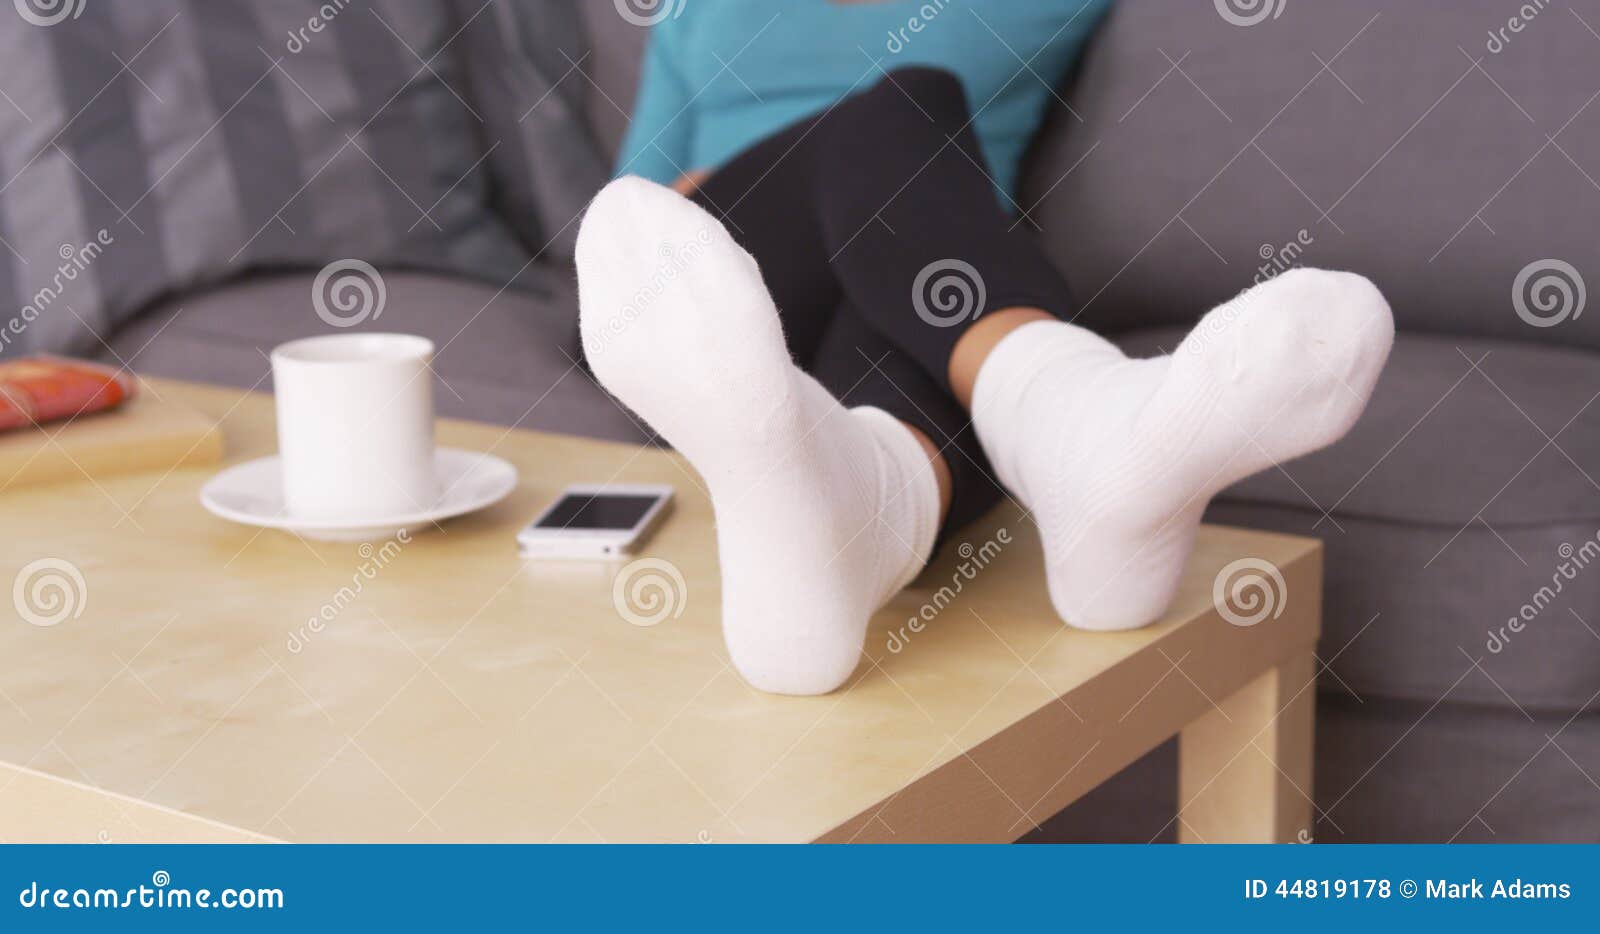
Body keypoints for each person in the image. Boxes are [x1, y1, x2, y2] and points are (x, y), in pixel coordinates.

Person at [575, 1, 1393, 695]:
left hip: (921, 283)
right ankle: (1066, 412)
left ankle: (859, 514)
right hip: (713, 288)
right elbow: (630, 213)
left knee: (912, 299)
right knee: (908, 100)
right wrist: (800, 171)